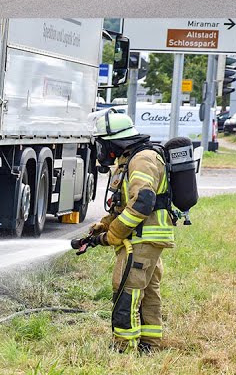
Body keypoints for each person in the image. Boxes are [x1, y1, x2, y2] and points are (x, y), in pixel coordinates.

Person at [86, 112, 175, 352]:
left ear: (114, 141)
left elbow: (143, 202)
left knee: (126, 289)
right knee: (147, 291)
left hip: (142, 237)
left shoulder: (142, 159)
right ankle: (149, 344)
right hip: (146, 237)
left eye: (102, 143)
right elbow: (126, 201)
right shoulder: (134, 158)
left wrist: (114, 233)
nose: (101, 149)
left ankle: (123, 347)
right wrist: (104, 225)